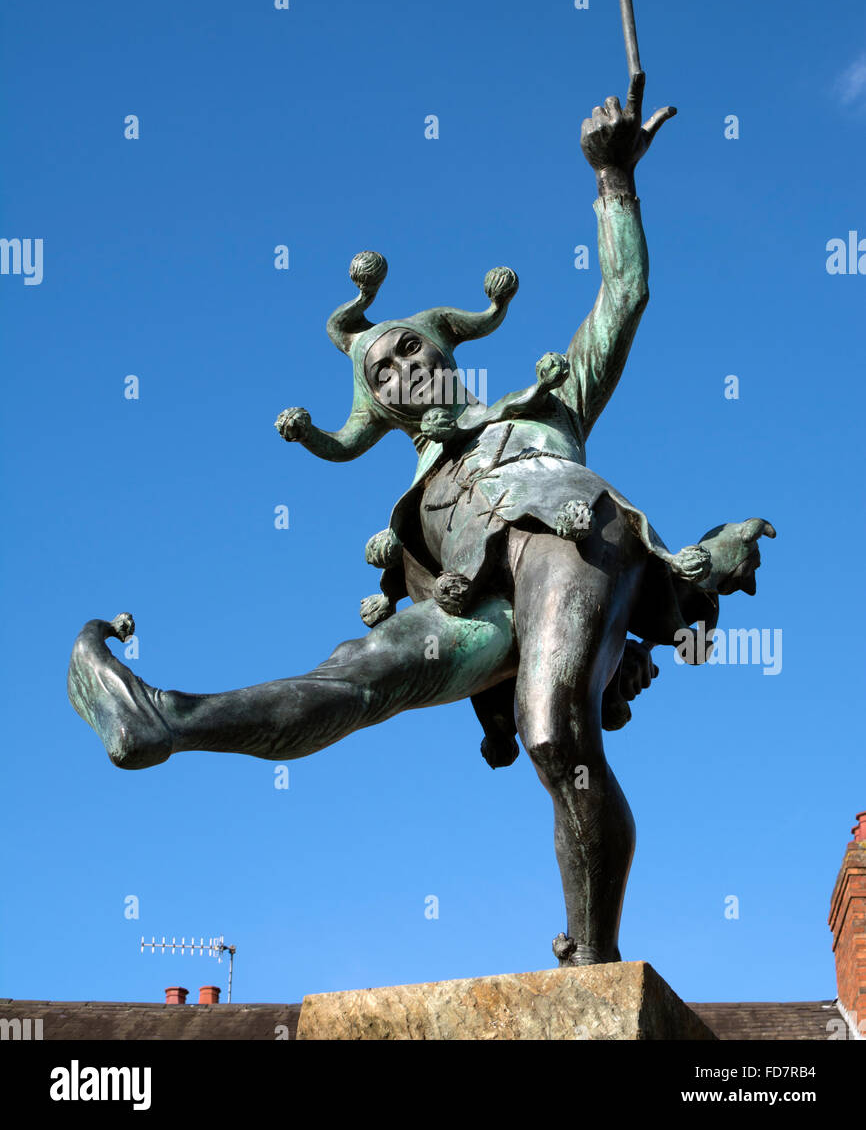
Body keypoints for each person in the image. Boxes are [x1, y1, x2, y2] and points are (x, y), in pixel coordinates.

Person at [68, 72, 773, 966]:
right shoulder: (414, 519)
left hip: (571, 539)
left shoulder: (545, 408)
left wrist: (614, 179)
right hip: (481, 603)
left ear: (444, 347)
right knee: (359, 673)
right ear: (380, 410)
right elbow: (422, 607)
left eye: (407, 345)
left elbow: (624, 295)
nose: (397, 364)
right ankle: (167, 719)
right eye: (379, 373)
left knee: (554, 728)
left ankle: (595, 960)